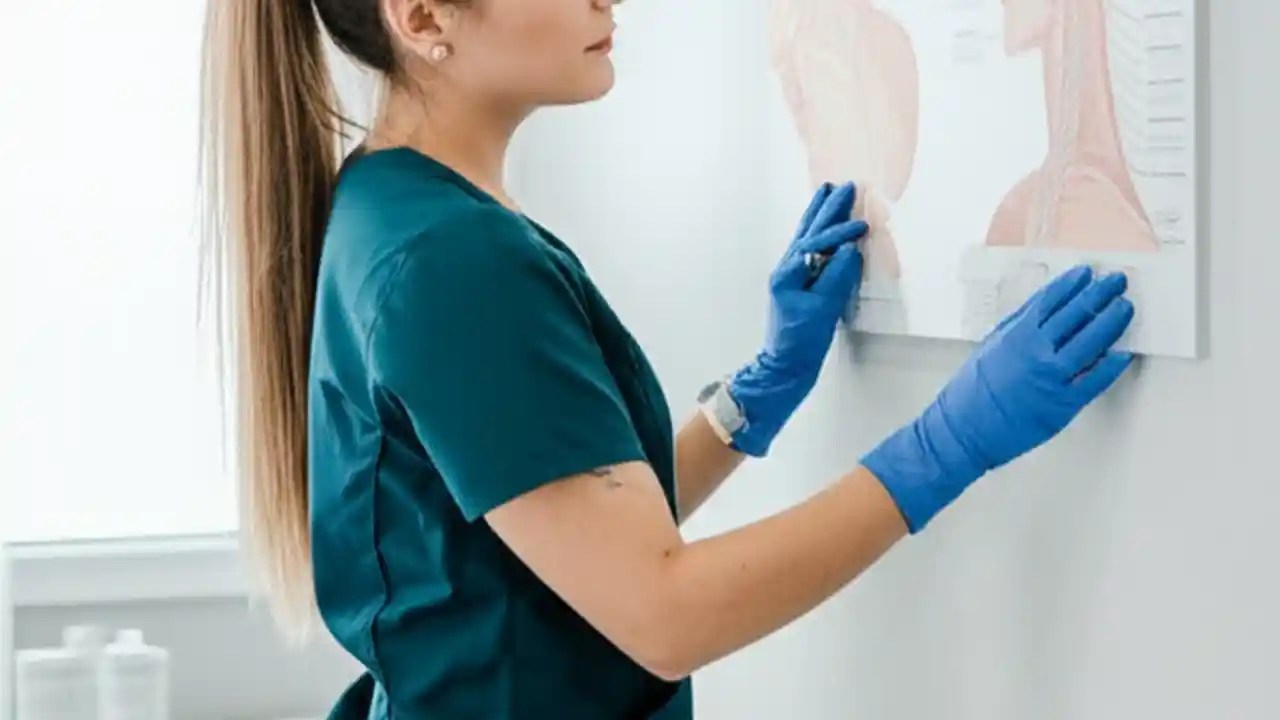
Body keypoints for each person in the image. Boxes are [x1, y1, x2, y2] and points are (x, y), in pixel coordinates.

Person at [201, 1, 1136, 717]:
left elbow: (557, 531)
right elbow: (663, 614)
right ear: (425, 17)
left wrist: (753, 398)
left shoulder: (393, 207)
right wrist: (947, 443)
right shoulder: (450, 258)